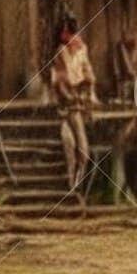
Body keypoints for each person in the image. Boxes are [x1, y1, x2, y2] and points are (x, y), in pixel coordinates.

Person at [50, 16, 96, 189]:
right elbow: (63, 78)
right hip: (65, 103)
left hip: (79, 100)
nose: (64, 35)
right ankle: (71, 183)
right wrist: (69, 92)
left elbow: (88, 73)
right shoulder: (60, 51)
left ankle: (78, 181)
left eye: (67, 32)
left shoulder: (81, 48)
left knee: (83, 148)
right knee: (70, 145)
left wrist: (88, 88)